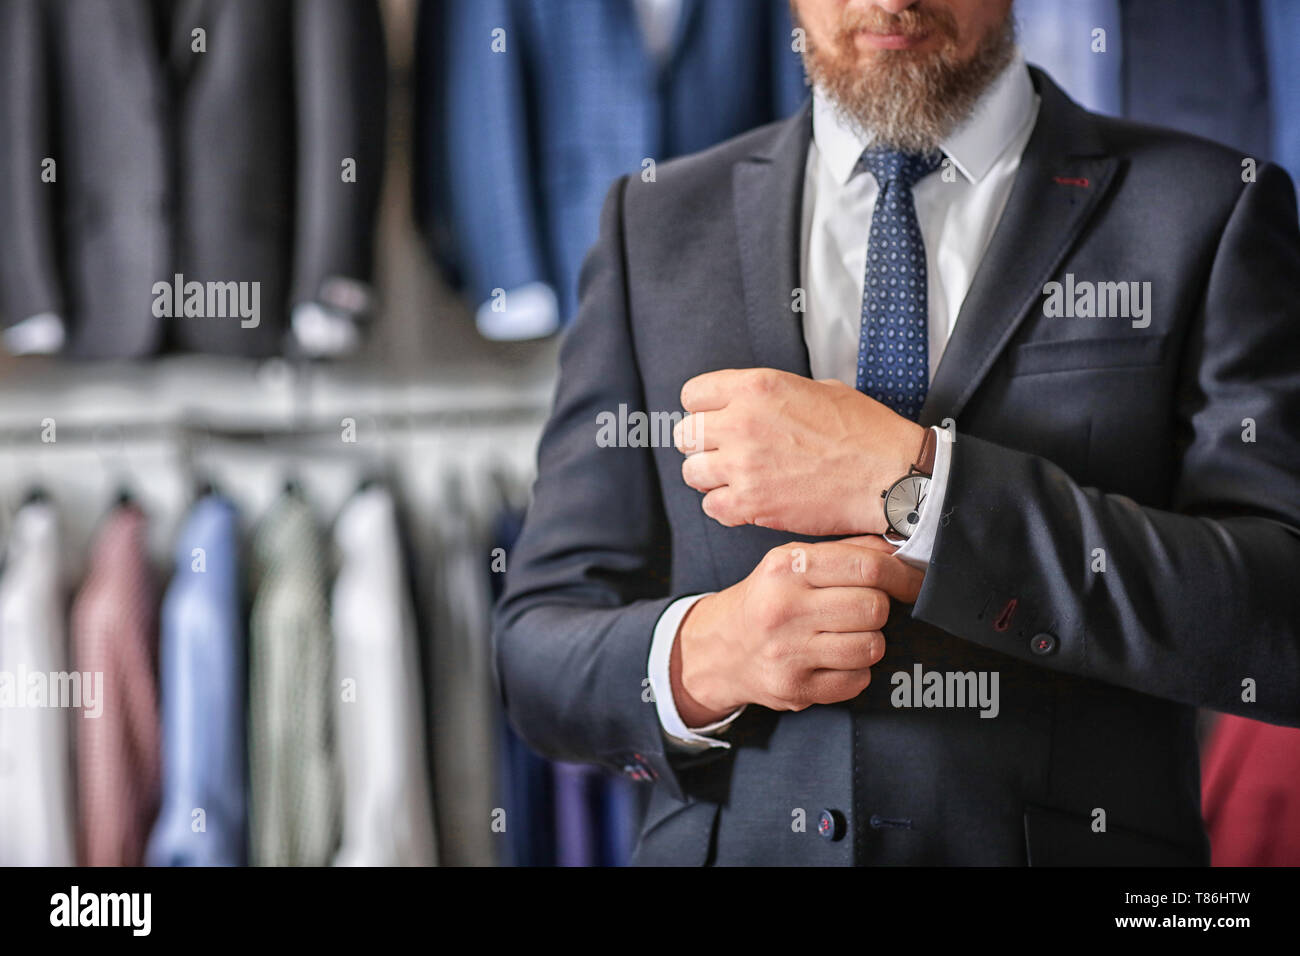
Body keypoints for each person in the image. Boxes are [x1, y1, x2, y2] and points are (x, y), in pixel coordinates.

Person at [493, 0, 1300, 865]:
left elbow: (1280, 623)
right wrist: (708, 653)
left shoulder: (1207, 207)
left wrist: (919, 487)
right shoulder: (652, 226)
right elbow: (536, 656)